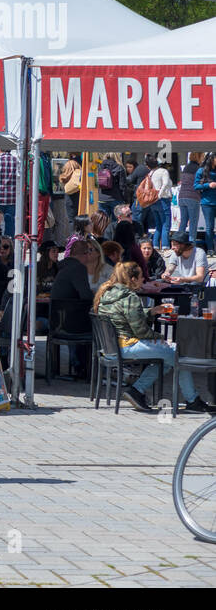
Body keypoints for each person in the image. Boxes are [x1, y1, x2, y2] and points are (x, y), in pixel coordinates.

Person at [97, 261, 210, 414]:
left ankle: (137, 390)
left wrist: (151, 311)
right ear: (132, 279)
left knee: (168, 358)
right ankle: (192, 401)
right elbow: (140, 331)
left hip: (110, 347)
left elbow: (125, 315)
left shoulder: (108, 293)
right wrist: (159, 338)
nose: (143, 280)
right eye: (141, 277)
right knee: (177, 353)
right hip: (127, 346)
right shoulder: (130, 297)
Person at [145, 154, 173, 247]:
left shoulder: (150, 173)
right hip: (163, 200)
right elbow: (165, 184)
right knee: (166, 224)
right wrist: (160, 195)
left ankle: (155, 245)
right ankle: (165, 246)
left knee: (158, 225)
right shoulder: (163, 171)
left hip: (153, 201)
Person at [178, 152, 203, 247]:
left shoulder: (186, 168)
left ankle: (179, 242)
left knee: (183, 221)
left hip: (182, 196)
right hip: (192, 196)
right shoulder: (199, 169)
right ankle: (192, 244)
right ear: (199, 157)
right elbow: (200, 183)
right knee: (193, 222)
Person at [199, 153, 216, 254]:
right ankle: (210, 249)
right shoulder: (202, 171)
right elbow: (196, 186)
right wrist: (208, 185)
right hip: (207, 203)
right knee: (209, 226)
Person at [36, 150, 54, 243]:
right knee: (39, 218)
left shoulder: (46, 157)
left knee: (42, 219)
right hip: (39, 191)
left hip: (45, 192)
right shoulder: (35, 155)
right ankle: (37, 241)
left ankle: (39, 241)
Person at [59, 154, 83, 223]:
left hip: (69, 199)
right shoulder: (79, 174)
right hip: (79, 198)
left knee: (71, 221)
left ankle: (74, 234)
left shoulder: (65, 176)